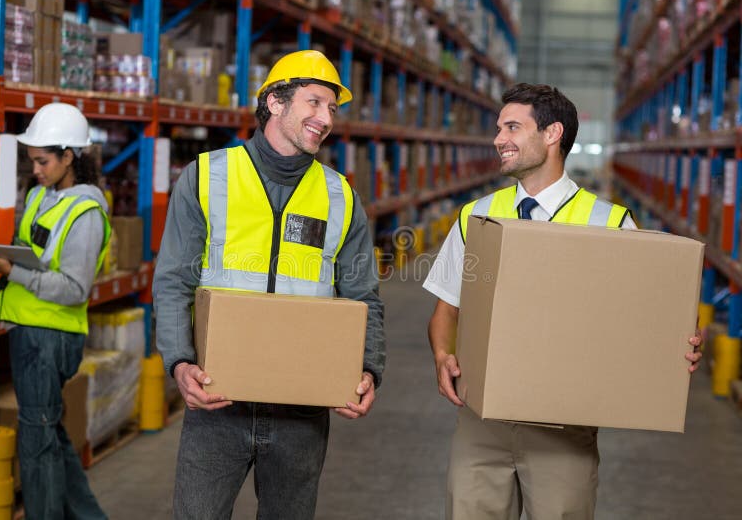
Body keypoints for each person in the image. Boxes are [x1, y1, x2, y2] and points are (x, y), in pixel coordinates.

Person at [423, 83, 703, 520]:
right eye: (499, 127)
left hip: (564, 429)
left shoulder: (609, 223)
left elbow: (652, 318)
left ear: (553, 134)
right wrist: (442, 354)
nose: (499, 139)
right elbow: (446, 308)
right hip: (481, 425)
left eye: (513, 127)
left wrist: (678, 346)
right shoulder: (476, 216)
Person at [152, 49, 386, 519]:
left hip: (302, 407)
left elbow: (364, 297)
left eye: (333, 109)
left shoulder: (340, 196)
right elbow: (173, 281)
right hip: (218, 399)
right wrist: (179, 362)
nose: (325, 119)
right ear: (275, 101)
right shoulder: (206, 176)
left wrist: (368, 368)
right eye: (315, 102)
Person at [0, 103, 110, 519]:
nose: (35, 169)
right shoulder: (40, 196)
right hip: (29, 331)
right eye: (31, 160)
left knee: (37, 447)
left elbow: (74, 288)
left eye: (42, 160)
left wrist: (12, 271)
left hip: (51, 338)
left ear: (69, 156)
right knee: (48, 434)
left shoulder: (86, 213)